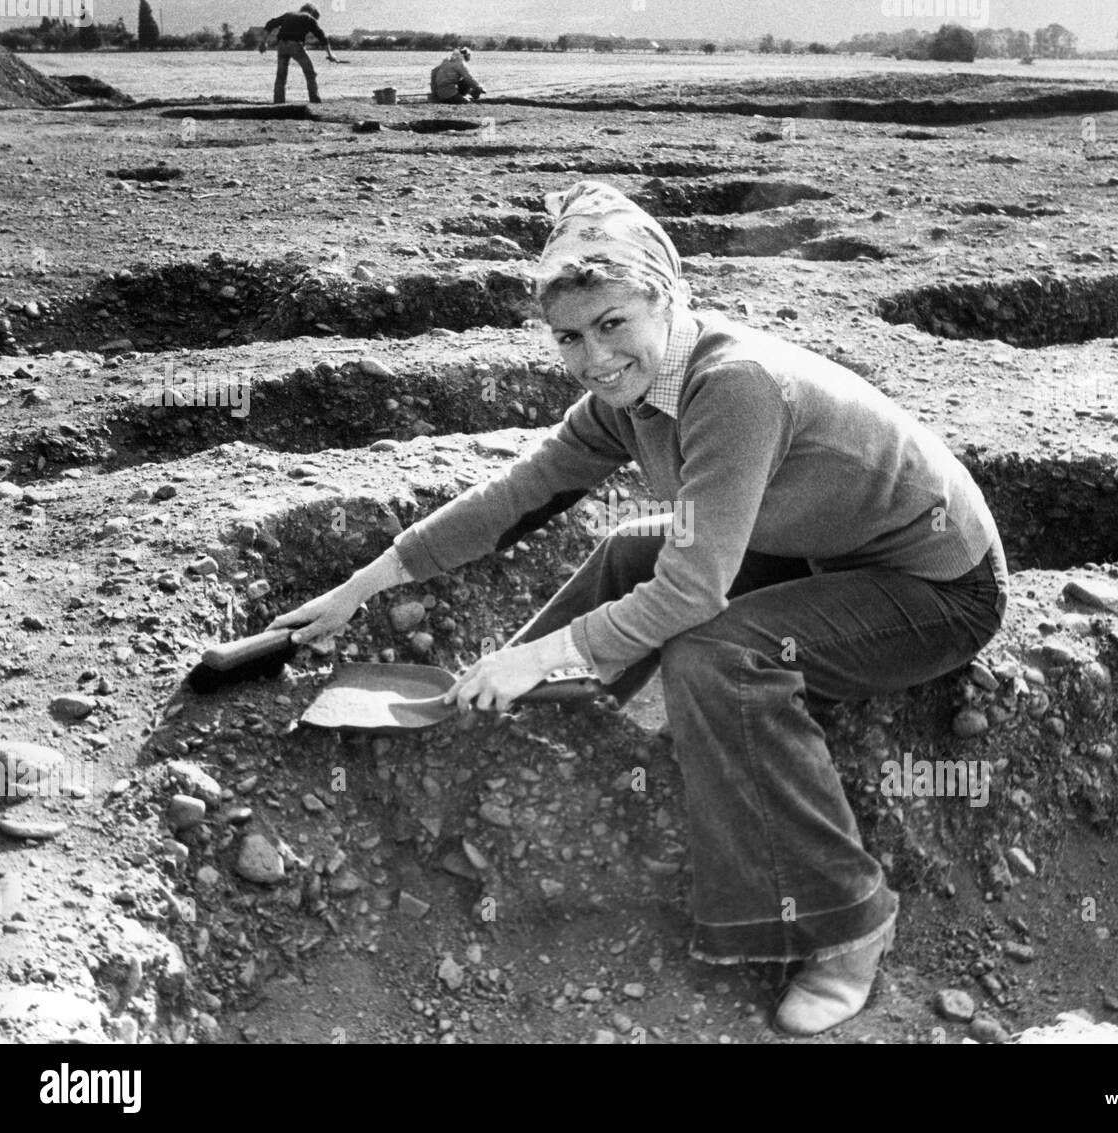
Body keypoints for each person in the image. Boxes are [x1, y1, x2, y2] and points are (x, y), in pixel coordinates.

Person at [268, 181, 1009, 1036]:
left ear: (666, 298)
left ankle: (849, 924)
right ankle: (521, 708)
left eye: (613, 323)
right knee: (630, 549)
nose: (593, 357)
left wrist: (541, 653)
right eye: (570, 337)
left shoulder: (733, 386)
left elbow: (696, 592)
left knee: (721, 656)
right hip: (828, 548)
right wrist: (362, 585)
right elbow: (518, 495)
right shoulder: (628, 400)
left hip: (936, 587)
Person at [260, 3, 338, 104]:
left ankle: (278, 101)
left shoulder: (288, 14)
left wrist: (263, 42)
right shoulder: (309, 18)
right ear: (312, 12)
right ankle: (314, 100)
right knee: (310, 72)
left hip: (281, 45)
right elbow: (321, 37)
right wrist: (330, 54)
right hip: (295, 45)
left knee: (281, 75)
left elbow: (270, 24)